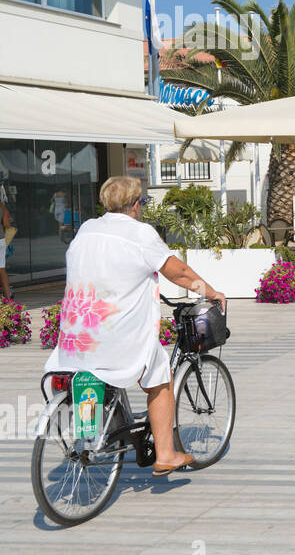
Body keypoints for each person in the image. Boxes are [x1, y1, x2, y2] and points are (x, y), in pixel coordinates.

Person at [43, 176, 225, 476]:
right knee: (159, 376)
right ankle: (166, 454)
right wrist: (211, 292)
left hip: (77, 335)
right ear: (137, 204)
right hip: (120, 334)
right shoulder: (140, 234)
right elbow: (177, 273)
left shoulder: (86, 229)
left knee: (102, 367)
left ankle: (110, 427)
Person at [0, 196, 12, 299]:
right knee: (2, 269)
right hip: (1, 240)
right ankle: (9, 299)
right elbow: (6, 224)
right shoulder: (1, 205)